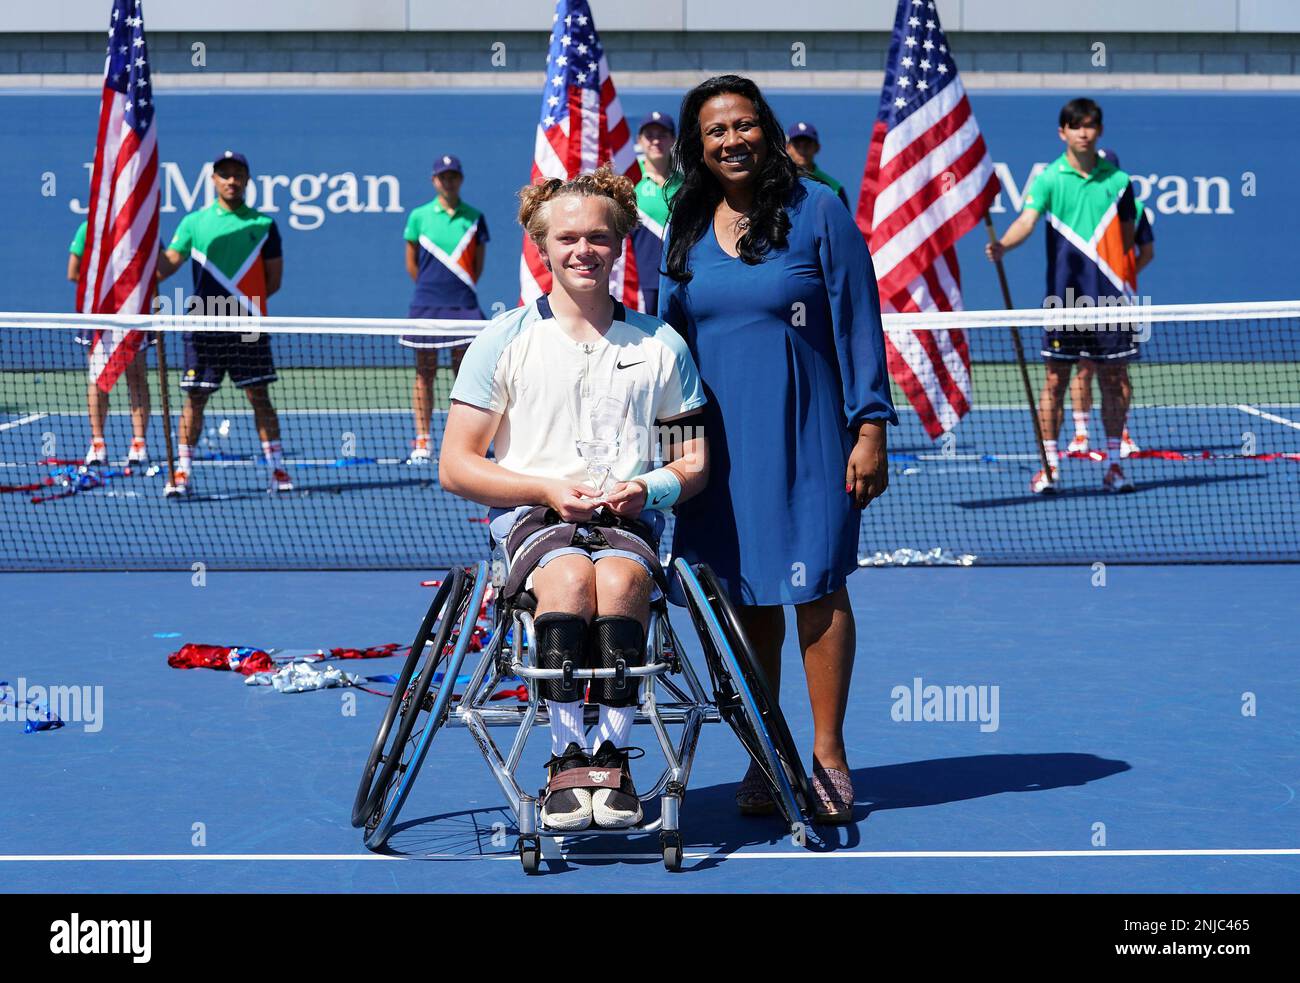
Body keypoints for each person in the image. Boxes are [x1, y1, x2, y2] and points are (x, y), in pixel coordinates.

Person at [439, 167, 708, 831]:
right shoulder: (501, 340)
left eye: (598, 236)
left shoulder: (662, 345)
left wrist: (646, 486)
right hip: (535, 517)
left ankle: (612, 756)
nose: (583, 249)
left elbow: (692, 460)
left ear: (619, 243)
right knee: (565, 579)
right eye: (568, 238)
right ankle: (565, 760)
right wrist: (547, 487)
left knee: (618, 580)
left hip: (627, 518)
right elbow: (456, 464)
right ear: (541, 245)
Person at [658, 76, 896, 824]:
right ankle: (767, 751)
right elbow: (671, 349)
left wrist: (871, 427)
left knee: (817, 588)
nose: (732, 139)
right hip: (717, 450)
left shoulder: (819, 210)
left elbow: (859, 321)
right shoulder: (686, 225)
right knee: (742, 596)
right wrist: (671, 456)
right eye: (714, 131)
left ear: (765, 128)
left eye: (743, 123)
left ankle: (827, 755)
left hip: (812, 437)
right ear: (698, 149)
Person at [985, 98, 1138, 494]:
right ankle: (1050, 466)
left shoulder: (1119, 182)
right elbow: (1027, 221)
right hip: (1064, 300)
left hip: (1109, 300)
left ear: (1099, 131)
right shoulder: (1049, 178)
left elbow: (1128, 239)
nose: (1083, 133)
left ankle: (1115, 465)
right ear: (1063, 132)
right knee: (1054, 381)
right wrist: (1003, 245)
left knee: (1113, 379)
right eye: (1076, 126)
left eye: (1090, 126)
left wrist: (1116, 277)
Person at [156, 150, 288, 497]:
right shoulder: (194, 223)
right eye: (224, 174)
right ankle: (182, 472)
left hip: (248, 326)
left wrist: (244, 305)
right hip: (203, 326)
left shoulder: (263, 225)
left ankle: (277, 469)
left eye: (237, 174)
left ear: (247, 179)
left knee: (259, 395)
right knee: (195, 399)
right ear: (213, 180)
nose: (231, 180)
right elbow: (165, 267)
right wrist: (148, 238)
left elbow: (273, 280)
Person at [402, 154, 490, 465]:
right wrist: (432, 289)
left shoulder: (475, 217)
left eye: (453, 176)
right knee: (424, 373)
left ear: (460, 179)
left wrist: (458, 289)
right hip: (427, 304)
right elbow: (412, 263)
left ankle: (465, 441)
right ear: (434, 180)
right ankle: (423, 441)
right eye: (443, 176)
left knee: (465, 375)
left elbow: (477, 266)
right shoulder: (419, 216)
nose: (448, 181)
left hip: (464, 305)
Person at [1067, 147, 1155, 458]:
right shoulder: (1076, 206)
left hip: (1120, 303)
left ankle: (1123, 434)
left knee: (1117, 372)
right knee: (1083, 369)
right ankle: (1081, 435)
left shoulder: (1136, 207)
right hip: (1078, 301)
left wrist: (1120, 278)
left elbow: (1147, 252)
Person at [69, 219, 151, 467]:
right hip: (101, 317)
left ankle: (138, 444)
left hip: (134, 316)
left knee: (136, 377)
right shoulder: (87, 229)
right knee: (98, 379)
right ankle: (98, 444)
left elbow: (158, 269)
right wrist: (108, 291)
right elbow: (73, 272)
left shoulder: (142, 223)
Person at [630, 111, 682, 316]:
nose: (655, 141)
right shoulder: (630, 180)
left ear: (673, 140)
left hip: (678, 278)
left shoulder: (686, 184)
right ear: (639, 141)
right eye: (649, 135)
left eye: (662, 135)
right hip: (640, 282)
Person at [785, 121, 851, 209]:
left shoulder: (834, 188)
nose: (802, 150)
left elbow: (843, 221)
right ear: (788, 148)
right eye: (797, 144)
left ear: (817, 147)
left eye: (807, 144)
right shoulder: (777, 182)